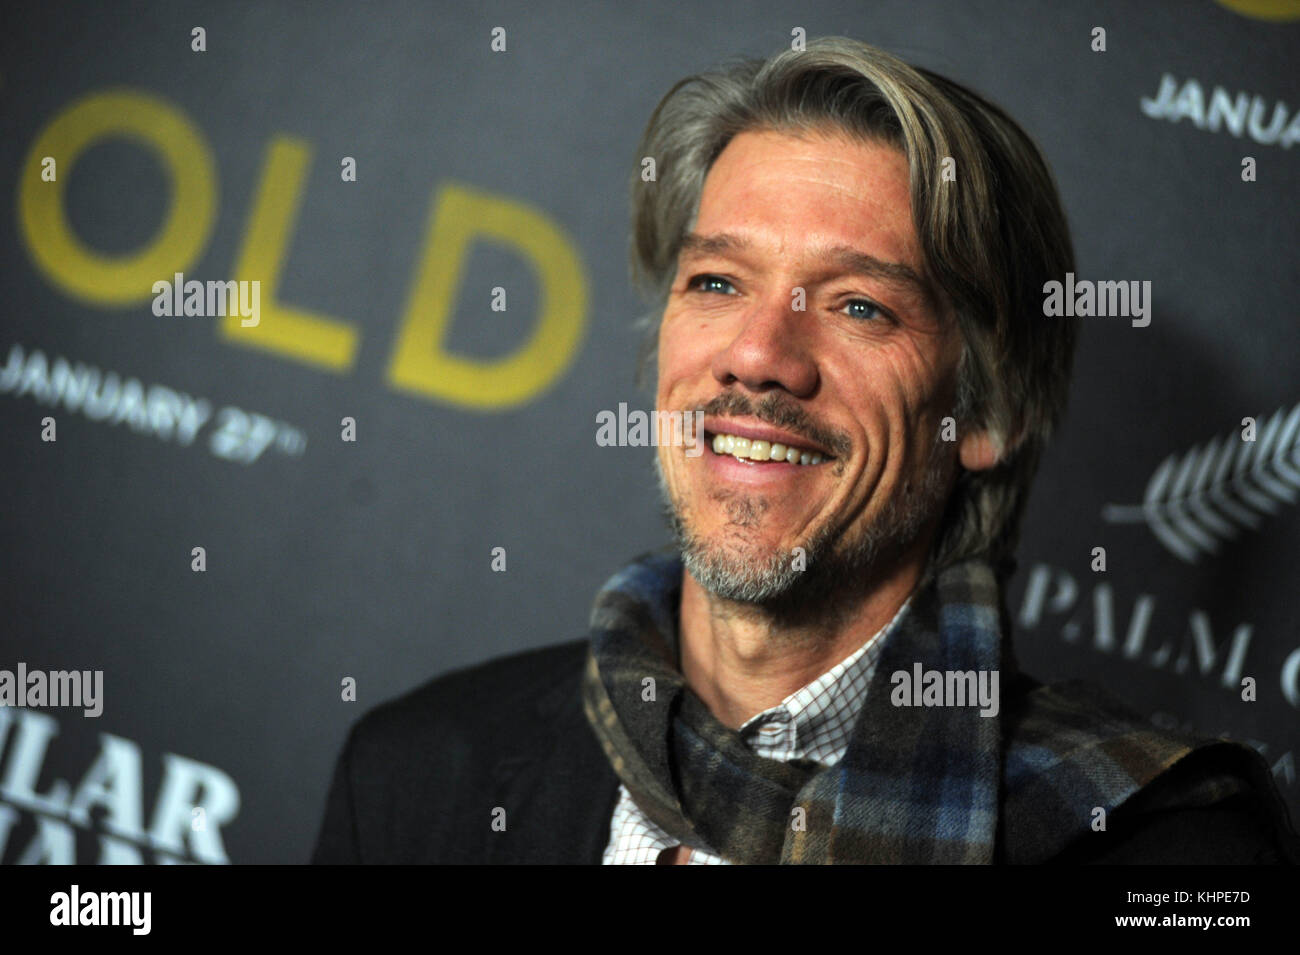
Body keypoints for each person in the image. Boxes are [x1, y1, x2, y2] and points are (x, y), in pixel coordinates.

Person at [311, 36, 1298, 864]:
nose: (757, 355)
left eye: (859, 305)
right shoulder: (416, 770)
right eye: (716, 282)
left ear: (986, 416)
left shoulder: (1171, 854)